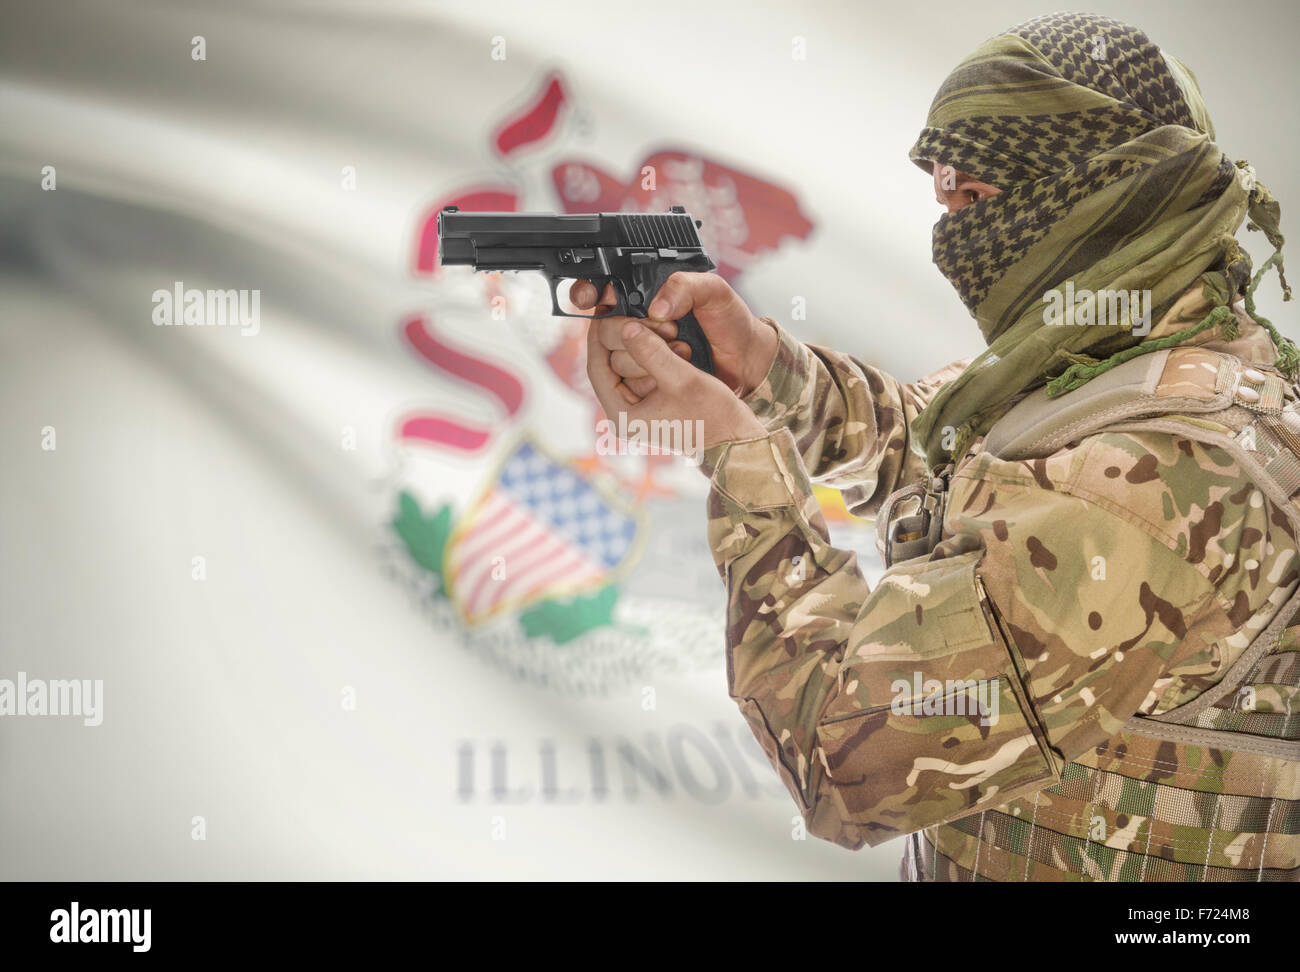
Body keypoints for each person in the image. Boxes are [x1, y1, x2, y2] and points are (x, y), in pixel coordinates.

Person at [579, 12, 1299, 881]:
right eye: (942, 196)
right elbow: (939, 448)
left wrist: (738, 457)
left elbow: (847, 765)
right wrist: (764, 367)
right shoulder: (1138, 357)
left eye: (973, 197)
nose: (950, 232)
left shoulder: (1153, 483)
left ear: (1094, 190)